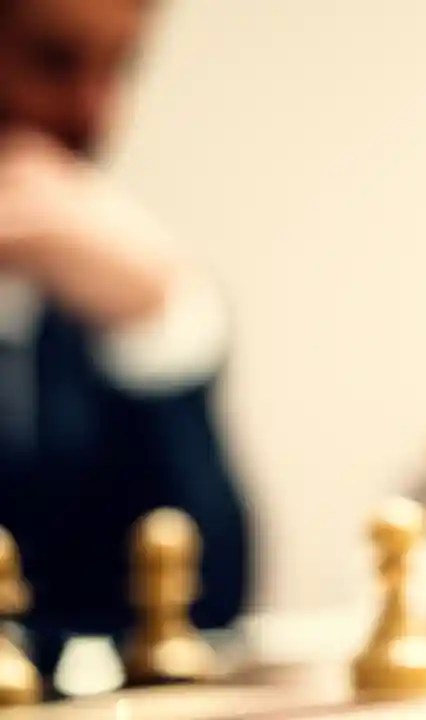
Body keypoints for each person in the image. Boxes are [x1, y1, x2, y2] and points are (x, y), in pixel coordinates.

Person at [0, 0, 249, 675]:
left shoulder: (83, 283)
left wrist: (159, 331)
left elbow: (206, 612)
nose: (93, 114)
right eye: (53, 60)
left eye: (120, 67)